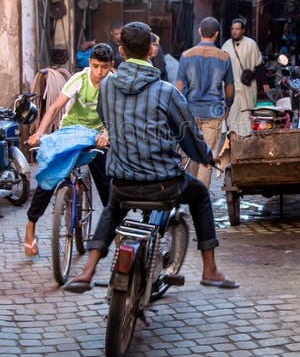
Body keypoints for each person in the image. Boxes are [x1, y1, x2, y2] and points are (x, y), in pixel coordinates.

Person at [64, 21, 239, 292]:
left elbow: (104, 117)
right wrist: (206, 157)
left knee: (112, 208)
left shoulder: (107, 88)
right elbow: (188, 135)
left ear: (121, 52)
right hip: (164, 183)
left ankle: (87, 270)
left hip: (123, 181)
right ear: (151, 51)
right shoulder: (166, 91)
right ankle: (210, 269)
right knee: (201, 196)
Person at [22, 43, 114, 256]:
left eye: (104, 67)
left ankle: (115, 233)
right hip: (71, 131)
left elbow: (116, 114)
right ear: (90, 63)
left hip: (97, 136)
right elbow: (54, 107)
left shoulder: (113, 83)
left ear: (111, 66)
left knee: (107, 184)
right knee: (49, 173)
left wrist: (106, 136)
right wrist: (39, 132)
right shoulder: (79, 79)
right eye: (95, 66)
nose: (99, 72)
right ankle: (30, 228)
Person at [175, 16, 234, 188]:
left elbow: (178, 89)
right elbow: (230, 87)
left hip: (190, 113)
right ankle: (201, 201)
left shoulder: (186, 56)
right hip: (213, 112)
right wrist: (228, 106)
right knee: (207, 159)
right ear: (217, 34)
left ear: (200, 32)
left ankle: (190, 195)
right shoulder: (224, 57)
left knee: (190, 155)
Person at [222, 18, 268, 137]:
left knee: (247, 114)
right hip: (231, 87)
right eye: (233, 29)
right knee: (232, 115)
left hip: (248, 86)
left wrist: (264, 82)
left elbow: (259, 64)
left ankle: (247, 139)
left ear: (243, 30)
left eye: (237, 29)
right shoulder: (225, 46)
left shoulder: (251, 44)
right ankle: (233, 139)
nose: (235, 32)